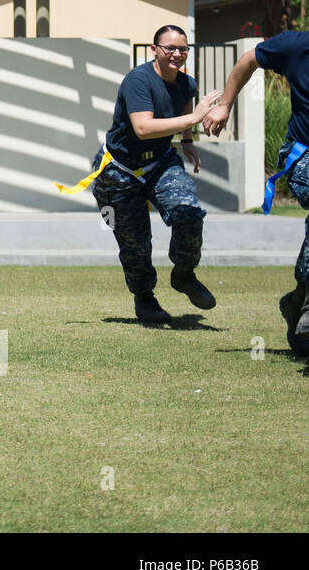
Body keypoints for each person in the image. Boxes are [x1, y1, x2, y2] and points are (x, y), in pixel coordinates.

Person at [58, 24, 221, 325]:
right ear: (154, 50)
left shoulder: (187, 84)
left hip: (161, 163)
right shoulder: (138, 80)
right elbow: (143, 128)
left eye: (182, 49)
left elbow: (185, 101)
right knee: (134, 243)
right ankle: (145, 298)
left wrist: (187, 140)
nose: (176, 54)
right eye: (169, 48)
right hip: (118, 169)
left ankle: (184, 275)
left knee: (188, 214)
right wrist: (196, 117)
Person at [201, 32, 309, 355]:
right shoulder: (296, 46)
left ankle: (299, 298)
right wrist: (224, 106)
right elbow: (249, 59)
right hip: (303, 154)